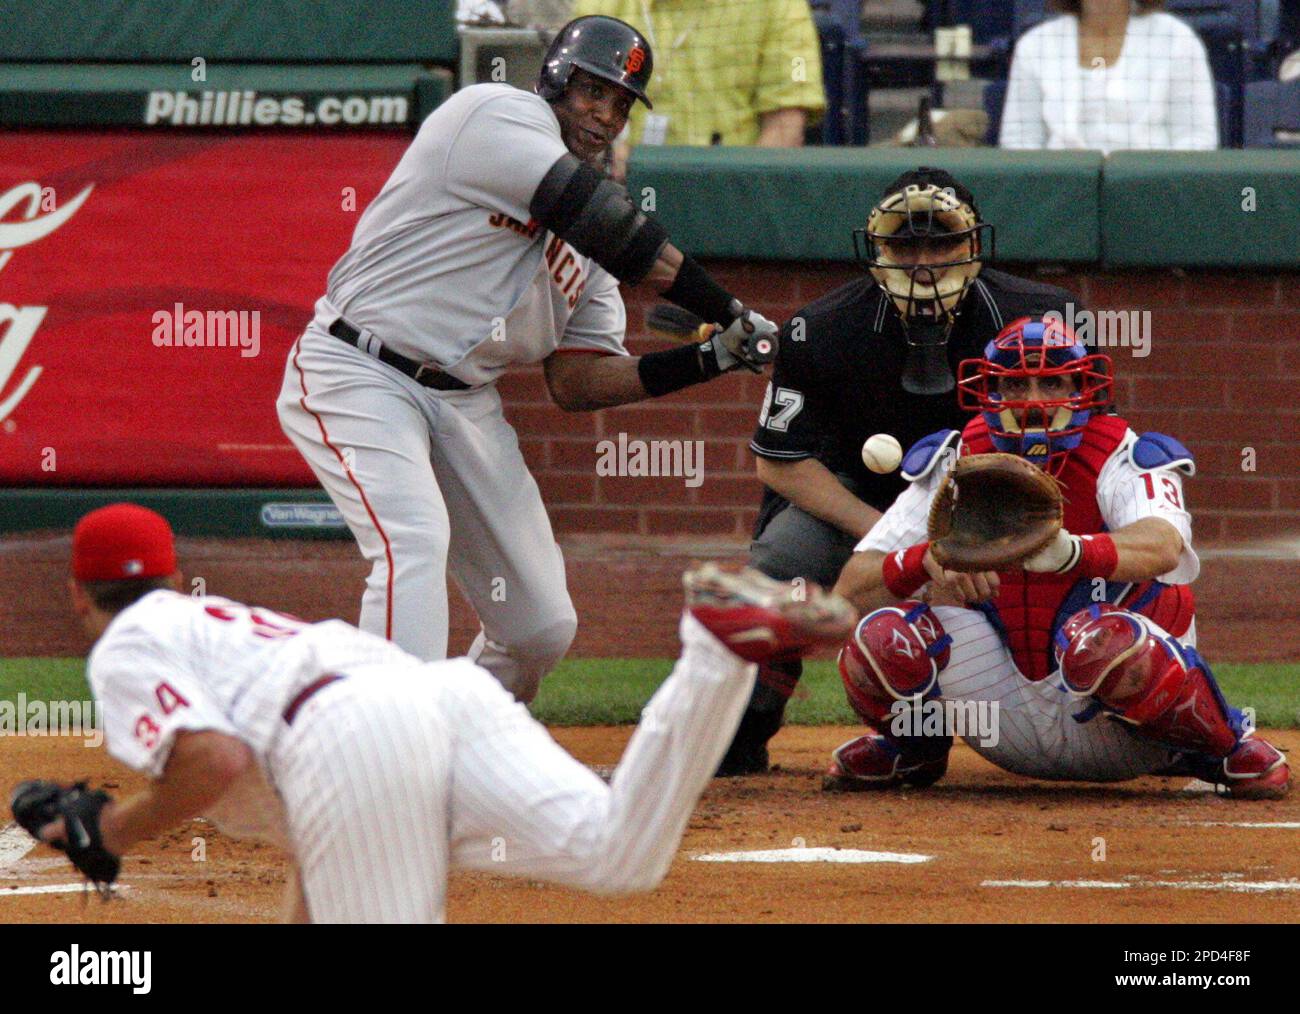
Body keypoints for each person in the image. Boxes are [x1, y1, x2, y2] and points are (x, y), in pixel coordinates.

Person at [10, 503, 855, 923]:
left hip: (349, 733)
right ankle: (715, 652)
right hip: (433, 695)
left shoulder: (125, 643)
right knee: (617, 854)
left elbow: (214, 760)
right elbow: (318, 831)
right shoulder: (209, 623)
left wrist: (110, 831)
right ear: (166, 574)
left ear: (80, 594)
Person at [276, 15, 779, 704]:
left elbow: (576, 384)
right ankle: (387, 748)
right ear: (554, 81)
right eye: (591, 92)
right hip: (360, 368)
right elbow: (614, 229)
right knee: (413, 543)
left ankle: (465, 739)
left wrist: (708, 361)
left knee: (540, 625)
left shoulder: (591, 254)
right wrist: (728, 309)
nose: (604, 115)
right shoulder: (494, 115)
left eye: (620, 103)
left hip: (463, 401)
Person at [822, 315, 1289, 799]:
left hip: (1122, 726)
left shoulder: (1122, 452)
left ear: (1081, 386)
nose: (1033, 402)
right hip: (1002, 715)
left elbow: (1163, 544)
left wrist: (1071, 552)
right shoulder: (958, 457)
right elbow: (850, 590)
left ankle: (1216, 748)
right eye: (1016, 385)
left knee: (1100, 641)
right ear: (991, 392)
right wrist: (926, 561)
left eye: (1050, 384)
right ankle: (913, 746)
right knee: (882, 635)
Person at [716, 165, 1083, 776]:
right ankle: (742, 733)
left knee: (1085, 560)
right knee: (784, 565)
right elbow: (779, 463)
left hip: (1000, 498)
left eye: (939, 241)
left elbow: (1082, 437)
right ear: (876, 249)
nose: (923, 261)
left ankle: (1108, 712)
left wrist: (989, 535)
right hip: (856, 501)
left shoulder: (1043, 317)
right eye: (904, 244)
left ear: (973, 245)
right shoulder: (819, 328)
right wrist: (895, 534)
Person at [571, 0, 826, 179]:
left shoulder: (780, 6)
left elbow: (785, 129)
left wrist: (733, 194)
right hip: (618, 196)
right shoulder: (598, 6)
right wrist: (604, 156)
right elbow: (571, 114)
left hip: (728, 197)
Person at [1000, 0, 1218, 153]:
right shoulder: (1034, 45)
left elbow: (1197, 140)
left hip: (1153, 194)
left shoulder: (1178, 40)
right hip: (1061, 195)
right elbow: (1018, 142)